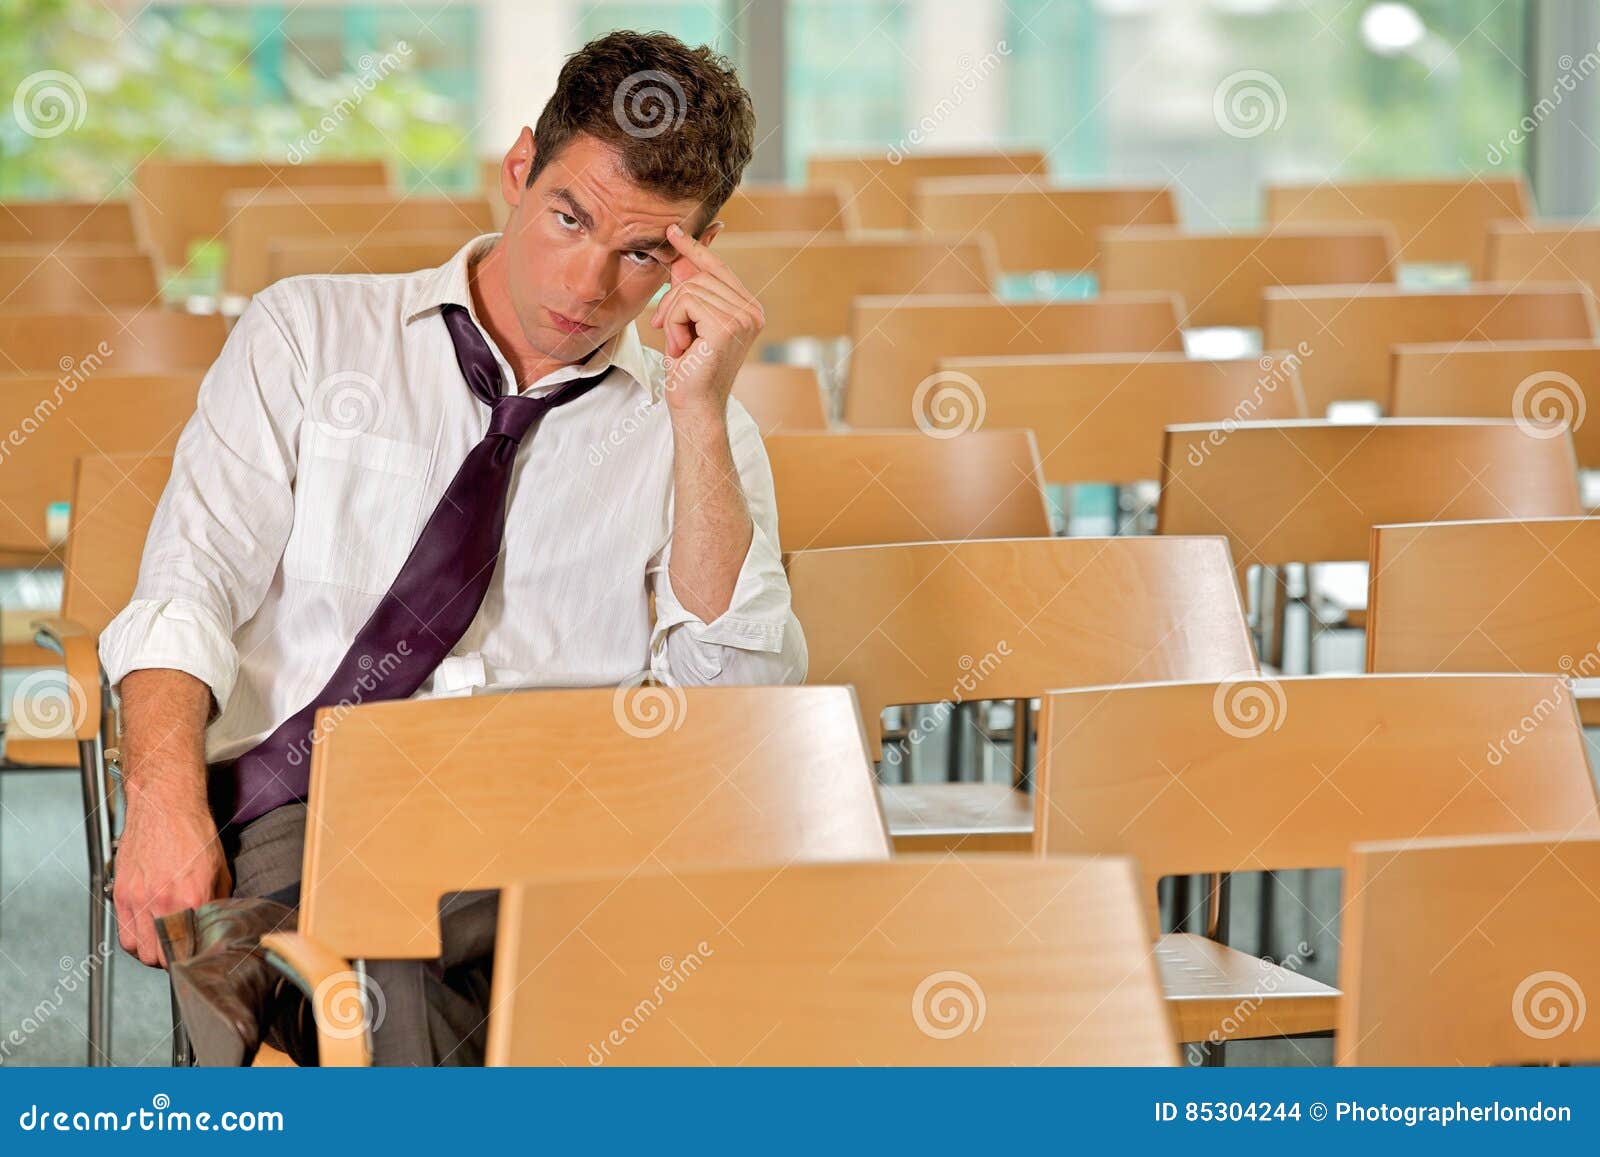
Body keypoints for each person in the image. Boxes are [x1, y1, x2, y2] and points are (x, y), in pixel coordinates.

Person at [99, 29, 804, 1066]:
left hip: (574, 822)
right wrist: (159, 800)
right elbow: (187, 586)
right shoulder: (308, 336)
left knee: (736, 954)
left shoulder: (702, 426)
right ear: (519, 168)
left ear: (697, 253)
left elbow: (733, 703)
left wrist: (696, 418)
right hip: (319, 807)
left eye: (644, 254)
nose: (587, 280)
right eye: (568, 218)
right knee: (392, 950)